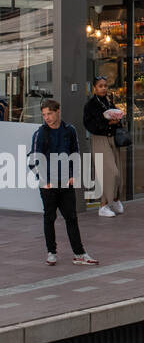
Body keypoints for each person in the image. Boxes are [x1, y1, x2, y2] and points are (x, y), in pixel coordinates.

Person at [31, 100, 96, 266]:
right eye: (44, 114)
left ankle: (79, 254)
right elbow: (33, 160)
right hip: (49, 185)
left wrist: (74, 175)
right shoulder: (40, 133)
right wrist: (43, 181)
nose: (47, 118)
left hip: (66, 183)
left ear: (58, 111)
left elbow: (75, 152)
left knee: (71, 218)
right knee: (49, 218)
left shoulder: (69, 130)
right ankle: (51, 252)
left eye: (50, 114)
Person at [81, 76, 124, 217]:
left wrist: (116, 120)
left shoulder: (108, 101)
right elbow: (89, 125)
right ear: (95, 87)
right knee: (111, 172)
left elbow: (116, 118)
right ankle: (104, 205)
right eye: (100, 86)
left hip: (112, 139)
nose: (104, 88)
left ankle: (114, 199)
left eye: (105, 85)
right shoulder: (90, 105)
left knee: (118, 172)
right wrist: (108, 123)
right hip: (99, 140)